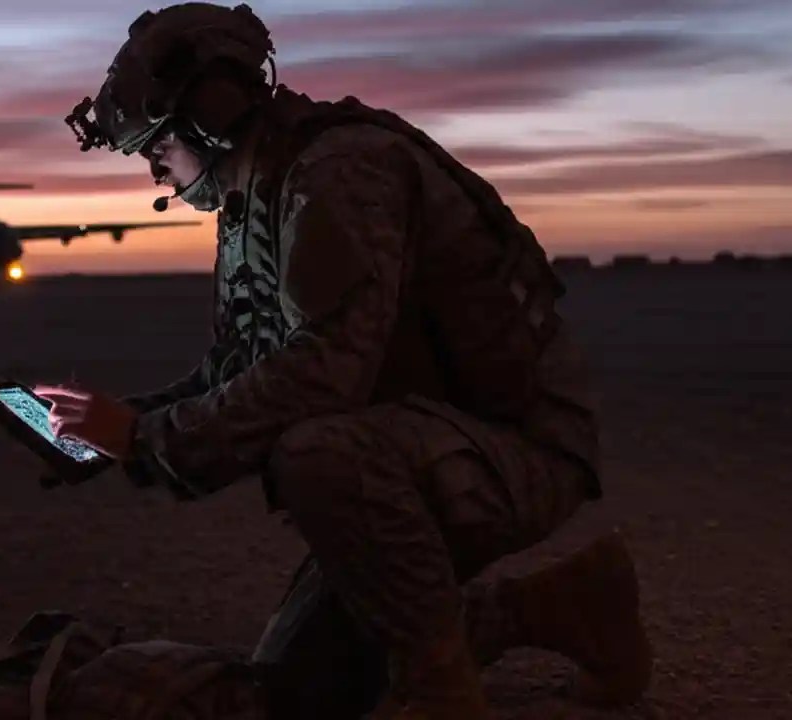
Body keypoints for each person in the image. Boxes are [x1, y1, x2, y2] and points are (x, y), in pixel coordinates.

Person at [43, 3, 653, 718]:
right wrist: (118, 428)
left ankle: (440, 694)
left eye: (156, 147)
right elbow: (238, 369)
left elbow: (325, 372)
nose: (156, 171)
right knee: (303, 683)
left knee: (319, 453)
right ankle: (571, 603)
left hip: (517, 449)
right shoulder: (259, 193)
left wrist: (152, 439)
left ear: (205, 116)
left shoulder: (338, 172)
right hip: (430, 443)